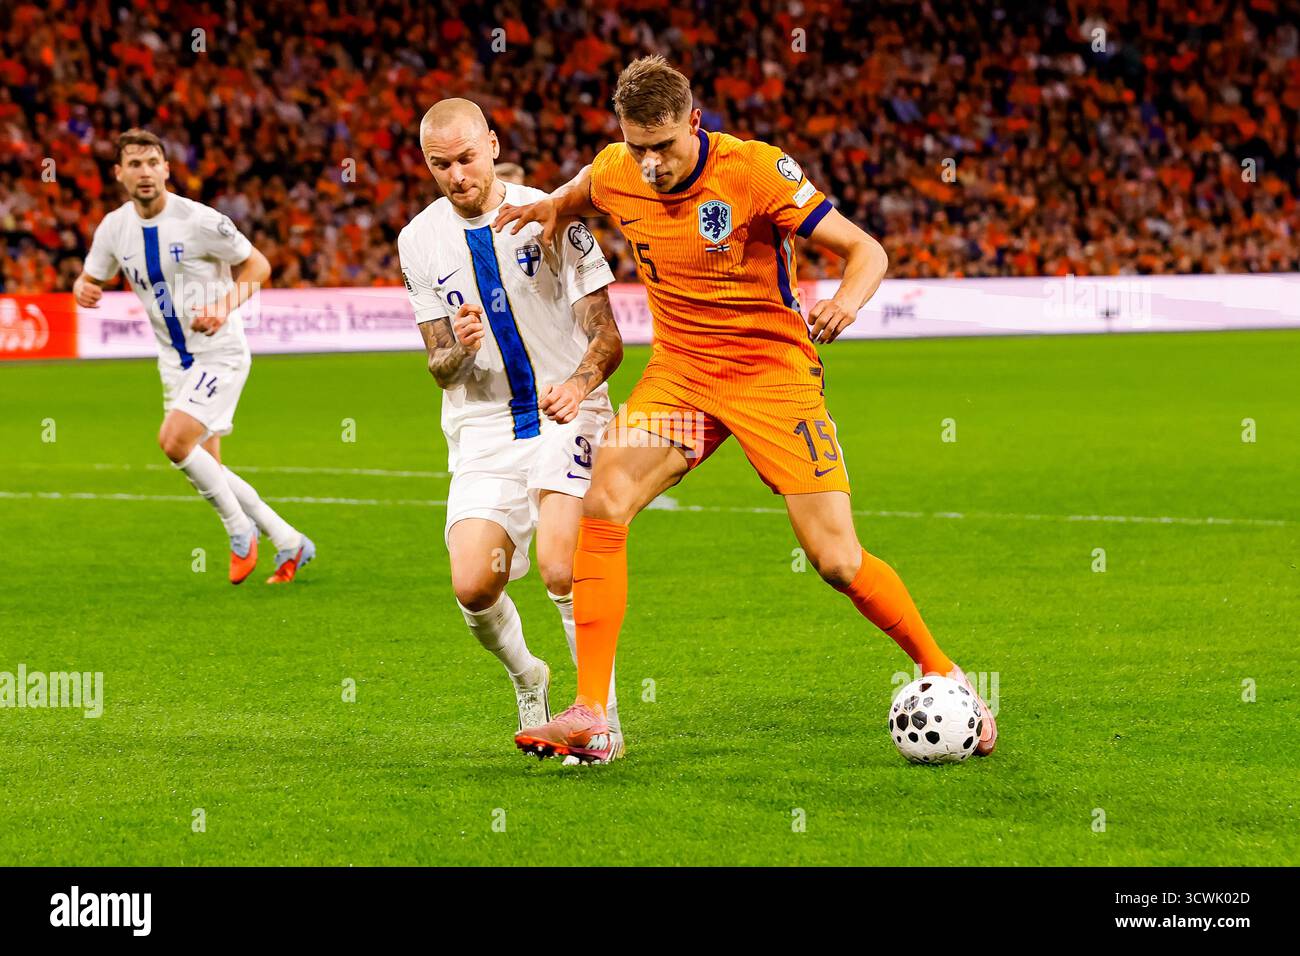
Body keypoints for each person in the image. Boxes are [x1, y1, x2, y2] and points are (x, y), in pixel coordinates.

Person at [495, 57, 998, 763]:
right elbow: (584, 190)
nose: (649, 164)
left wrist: (843, 302)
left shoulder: (755, 170)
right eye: (636, 146)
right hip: (682, 378)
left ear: (693, 123)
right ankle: (593, 715)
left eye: (663, 146)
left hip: (772, 378)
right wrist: (551, 205)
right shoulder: (617, 169)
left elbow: (866, 250)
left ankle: (944, 672)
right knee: (602, 504)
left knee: (835, 559)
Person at [398, 99, 626, 756]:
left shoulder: (553, 217)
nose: (456, 175)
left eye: (467, 158)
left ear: (493, 145)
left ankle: (599, 724)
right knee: (474, 584)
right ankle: (529, 675)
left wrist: (578, 386)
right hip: (485, 430)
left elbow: (608, 339)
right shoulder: (418, 241)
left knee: (561, 565)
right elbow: (440, 367)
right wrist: (460, 349)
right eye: (440, 164)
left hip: (568, 414)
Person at [72, 129, 314, 585]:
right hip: (172, 362)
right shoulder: (114, 228)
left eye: (153, 162)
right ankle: (290, 540)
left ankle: (239, 532)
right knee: (210, 466)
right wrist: (83, 288)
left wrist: (223, 306)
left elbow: (258, 265)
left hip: (219, 352)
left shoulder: (200, 220)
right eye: (135, 164)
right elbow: (90, 279)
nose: (145, 172)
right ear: (119, 173)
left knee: (173, 442)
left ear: (166, 169)